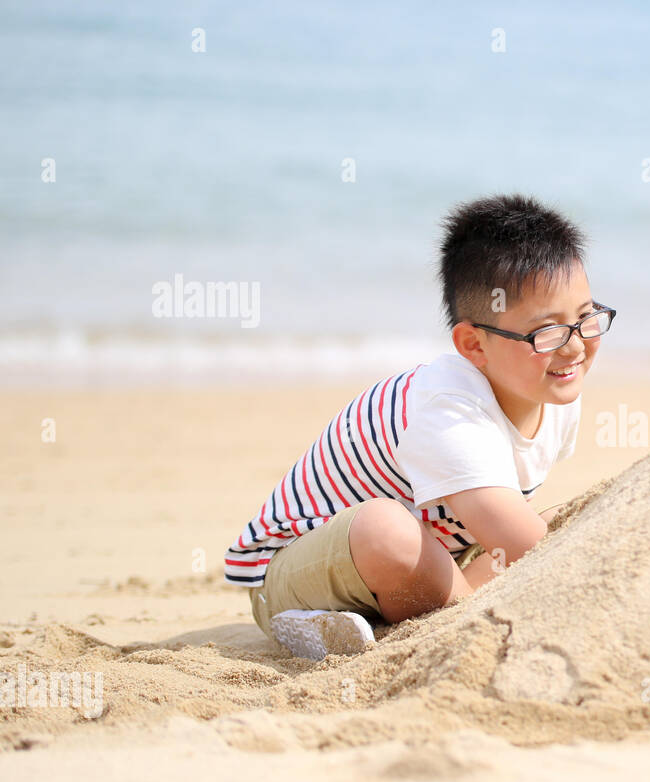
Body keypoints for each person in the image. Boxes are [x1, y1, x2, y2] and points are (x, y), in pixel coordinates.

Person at [224, 195, 614, 659]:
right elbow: (520, 542)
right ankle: (446, 618)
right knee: (390, 530)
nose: (574, 348)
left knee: (574, 516)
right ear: (474, 344)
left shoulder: (555, 388)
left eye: (586, 318)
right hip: (298, 571)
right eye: (547, 332)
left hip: (439, 561)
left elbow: (520, 533)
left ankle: (416, 614)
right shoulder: (448, 408)